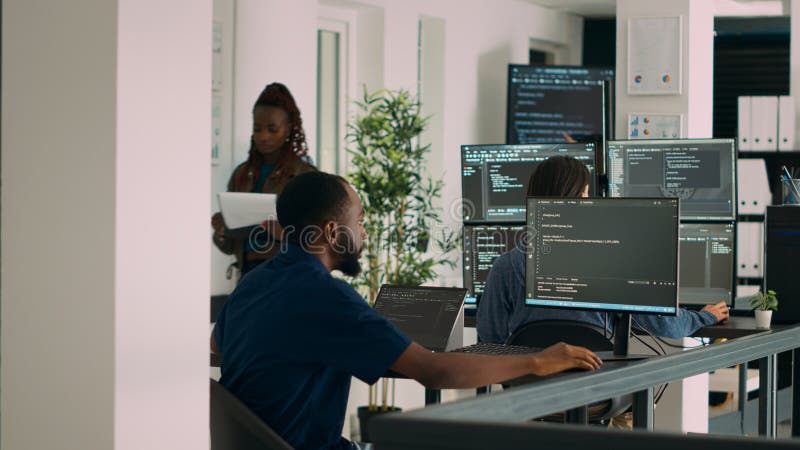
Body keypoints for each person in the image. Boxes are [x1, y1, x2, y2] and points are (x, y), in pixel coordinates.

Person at [211, 171, 602, 450]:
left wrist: (358, 351)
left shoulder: (254, 283)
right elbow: (436, 372)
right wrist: (538, 361)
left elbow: (220, 346)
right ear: (332, 233)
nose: (364, 233)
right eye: (359, 220)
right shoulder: (325, 296)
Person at [477, 155, 730, 345]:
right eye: (586, 194)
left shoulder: (505, 267)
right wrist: (703, 317)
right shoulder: (610, 259)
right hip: (596, 391)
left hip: (526, 391)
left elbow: (490, 340)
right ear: (578, 199)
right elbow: (665, 326)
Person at [211, 82, 316, 279]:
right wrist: (222, 231)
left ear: (288, 129)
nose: (263, 137)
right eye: (257, 129)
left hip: (287, 276)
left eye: (272, 129)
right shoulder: (241, 174)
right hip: (248, 275)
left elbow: (317, 238)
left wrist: (283, 233)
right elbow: (230, 247)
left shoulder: (304, 175)